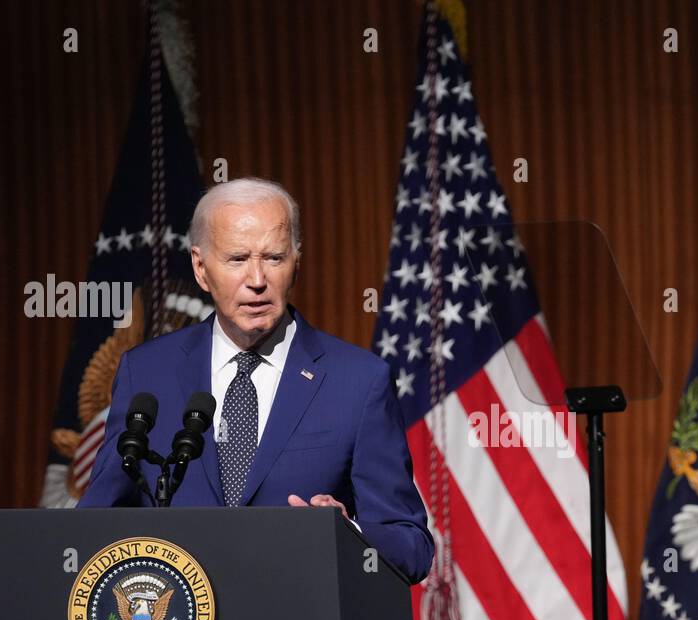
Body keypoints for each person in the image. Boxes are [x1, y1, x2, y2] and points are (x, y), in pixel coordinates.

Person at [78, 177, 433, 583]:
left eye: (274, 258)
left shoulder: (358, 381)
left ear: (297, 262)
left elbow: (412, 547)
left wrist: (345, 533)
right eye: (237, 259)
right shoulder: (146, 372)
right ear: (200, 268)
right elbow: (94, 526)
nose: (257, 279)